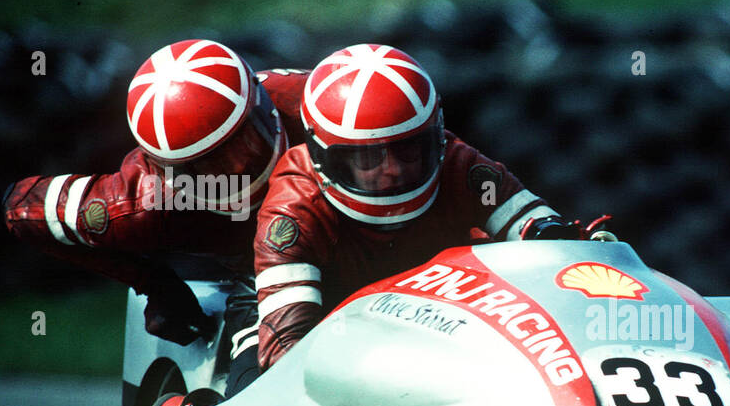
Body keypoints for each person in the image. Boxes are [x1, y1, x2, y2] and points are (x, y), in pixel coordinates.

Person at [254, 42, 609, 371]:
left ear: (435, 138)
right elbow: (285, 351)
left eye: (408, 150)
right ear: (323, 158)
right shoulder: (295, 210)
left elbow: (543, 234)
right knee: (250, 379)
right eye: (368, 158)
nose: (392, 170)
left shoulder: (461, 166)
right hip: (346, 346)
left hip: (454, 331)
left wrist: (574, 247)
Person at [3, 39, 308, 397]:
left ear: (263, 110)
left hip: (355, 231)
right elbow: (20, 208)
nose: (239, 172)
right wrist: (153, 281)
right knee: (263, 393)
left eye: (245, 145)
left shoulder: (323, 109)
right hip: (249, 272)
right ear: (169, 174)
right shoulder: (138, 199)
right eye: (207, 168)